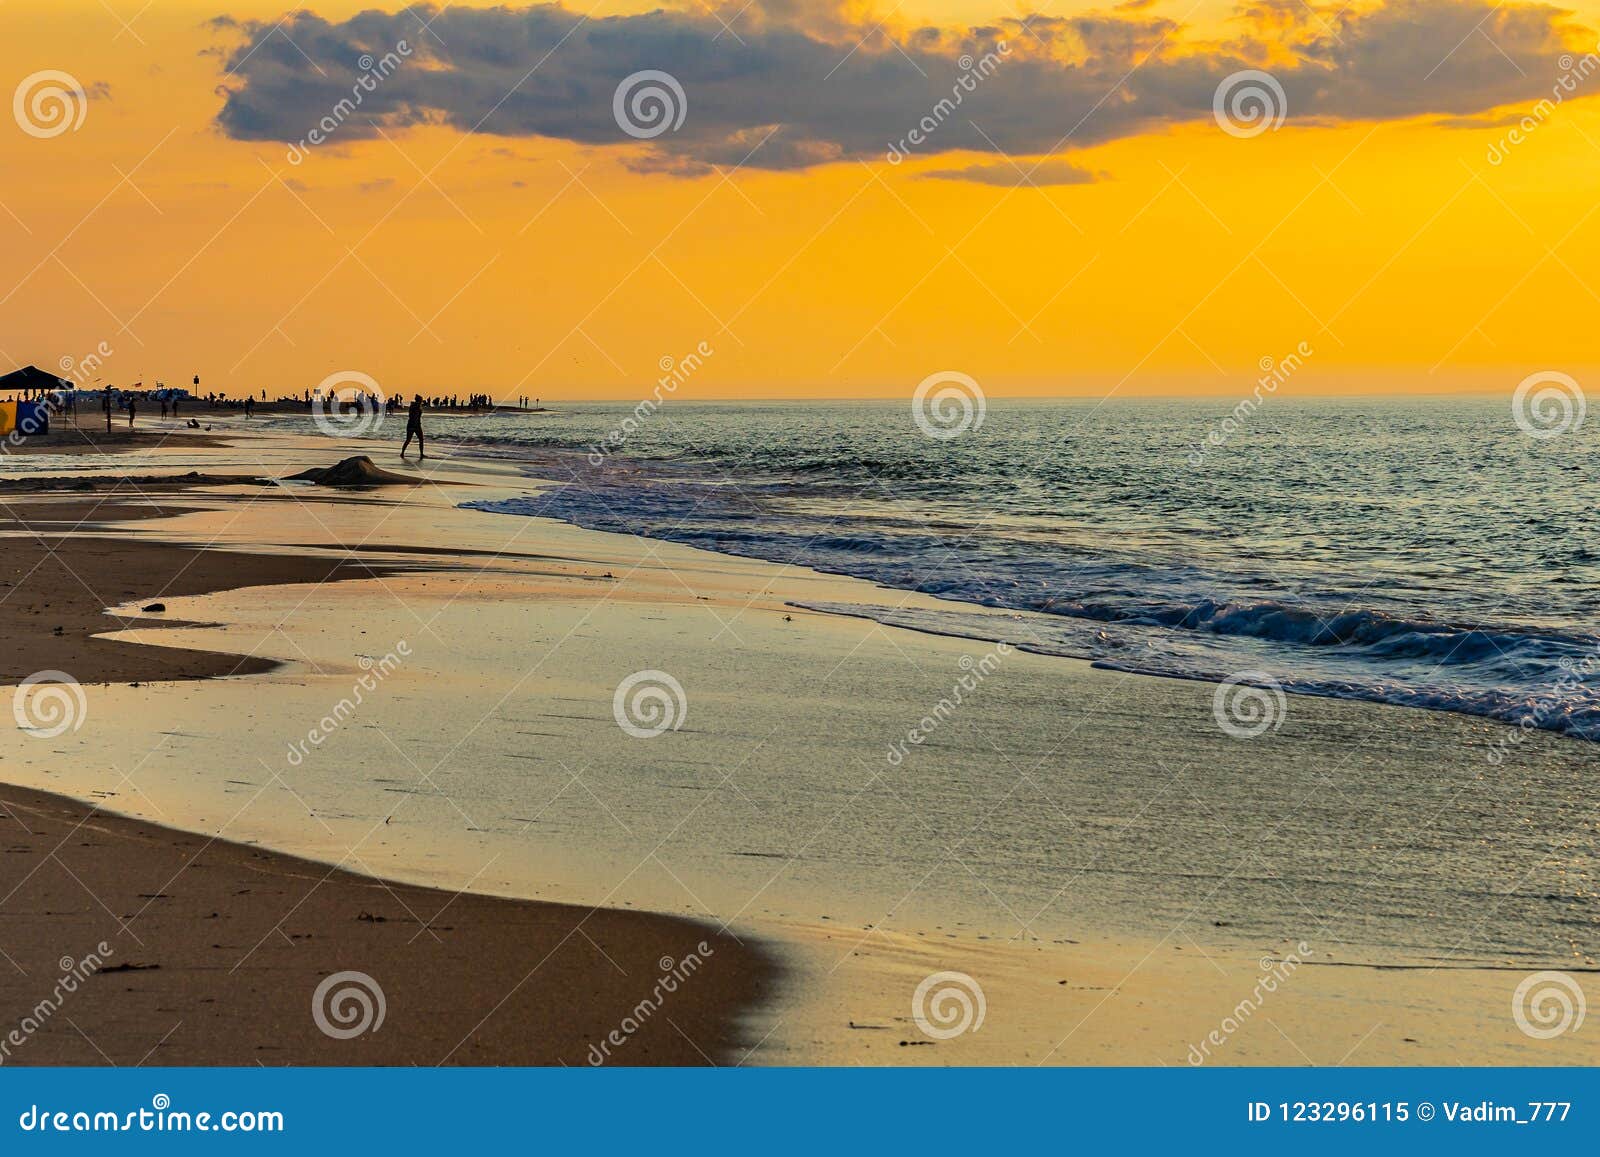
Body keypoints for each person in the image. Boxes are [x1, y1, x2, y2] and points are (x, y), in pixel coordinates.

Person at [401, 394, 425, 458]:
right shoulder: (416, 406)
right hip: (414, 425)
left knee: (410, 440)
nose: (422, 401)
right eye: (421, 400)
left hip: (414, 424)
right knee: (418, 439)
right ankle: (421, 454)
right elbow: (414, 416)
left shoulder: (414, 406)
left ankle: (402, 453)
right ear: (419, 400)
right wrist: (415, 425)